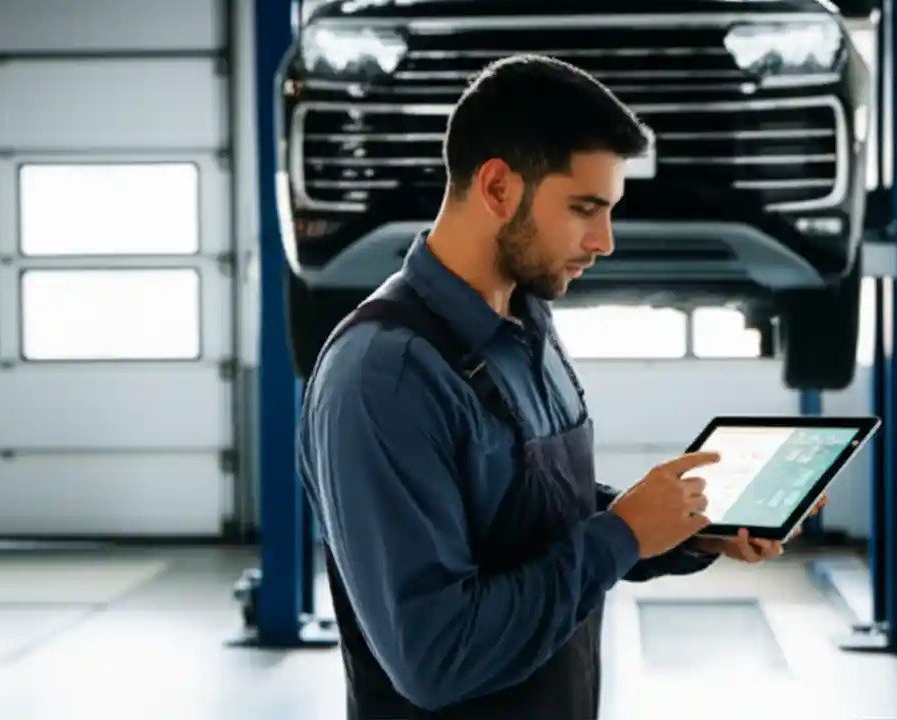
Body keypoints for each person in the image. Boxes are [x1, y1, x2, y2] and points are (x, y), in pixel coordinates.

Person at [297, 54, 814, 720]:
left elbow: (536, 517)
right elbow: (436, 657)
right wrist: (621, 535)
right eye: (584, 208)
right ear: (498, 188)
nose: (605, 241)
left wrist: (687, 527)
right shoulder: (383, 376)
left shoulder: (527, 325)